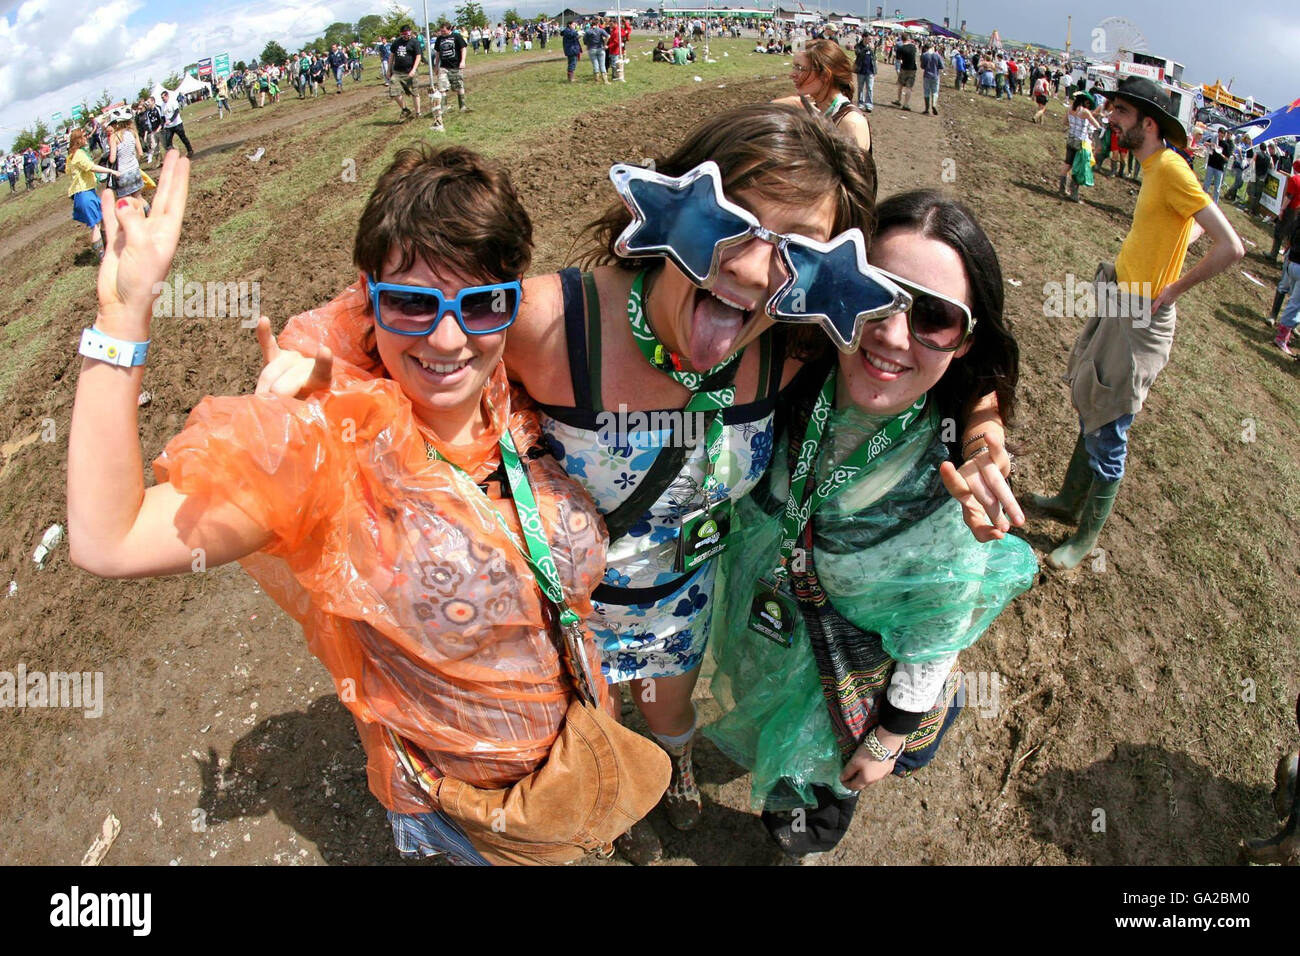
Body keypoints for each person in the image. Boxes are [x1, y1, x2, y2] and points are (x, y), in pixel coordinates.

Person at [258, 105, 1020, 863]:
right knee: (592, 732)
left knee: (671, 713)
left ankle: (676, 773)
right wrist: (320, 368)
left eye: (795, 249)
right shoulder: (555, 326)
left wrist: (985, 430)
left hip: (685, 598)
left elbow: (925, 356)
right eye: (730, 222)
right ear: (674, 208)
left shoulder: (790, 348)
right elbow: (414, 319)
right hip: (562, 615)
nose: (755, 267)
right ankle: (611, 800)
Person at [68, 145, 669, 867]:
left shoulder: (516, 388)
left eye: (481, 303)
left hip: (578, 759)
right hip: (466, 819)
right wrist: (123, 314)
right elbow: (110, 540)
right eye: (412, 304)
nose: (449, 338)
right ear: (369, 300)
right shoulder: (329, 450)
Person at [705, 191, 1036, 856]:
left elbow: (934, 635)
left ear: (965, 339)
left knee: (811, 800)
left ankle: (793, 843)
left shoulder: (947, 487)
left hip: (848, 683)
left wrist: (886, 738)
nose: (889, 334)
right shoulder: (791, 368)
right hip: (770, 627)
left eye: (933, 316)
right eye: (878, 294)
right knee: (767, 713)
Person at [1029, 77, 1244, 570]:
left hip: (1142, 320)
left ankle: (1085, 538)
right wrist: (1168, 256)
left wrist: (1171, 289)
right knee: (1092, 399)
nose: (1110, 118)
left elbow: (1232, 246)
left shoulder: (1170, 168)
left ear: (1148, 123)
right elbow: (1187, 224)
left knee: (1111, 427)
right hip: (1120, 303)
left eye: (1120, 111)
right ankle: (1067, 502)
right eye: (1111, 108)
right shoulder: (1154, 167)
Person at [777, 40, 871, 153]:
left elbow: (852, 170)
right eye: (794, 67)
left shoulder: (851, 123)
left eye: (800, 68)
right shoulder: (816, 109)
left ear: (825, 75)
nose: (791, 74)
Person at [64, 128, 115, 260]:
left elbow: (69, 170)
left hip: (87, 193)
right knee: (95, 226)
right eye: (84, 136)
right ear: (78, 140)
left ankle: (107, 247)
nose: (86, 137)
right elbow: (91, 167)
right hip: (84, 194)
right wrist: (111, 171)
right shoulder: (79, 154)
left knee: (102, 219)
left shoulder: (72, 156)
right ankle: (102, 257)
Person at [1057, 91, 1100, 203]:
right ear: (1085, 101)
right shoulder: (1085, 112)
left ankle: (1061, 189)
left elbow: (1064, 122)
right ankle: (1074, 194)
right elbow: (1097, 125)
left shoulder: (1070, 108)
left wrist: (1073, 125)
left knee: (1067, 164)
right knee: (1079, 168)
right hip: (1081, 142)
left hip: (1071, 139)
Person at [106, 107, 146, 207]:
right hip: (135, 170)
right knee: (139, 198)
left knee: (127, 204)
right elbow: (140, 153)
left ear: (116, 124)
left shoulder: (114, 137)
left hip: (123, 173)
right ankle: (149, 216)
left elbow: (112, 159)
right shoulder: (132, 132)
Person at [1268, 159, 1300, 262]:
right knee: (1291, 236)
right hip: (1298, 211)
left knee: (1279, 231)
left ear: (1294, 167)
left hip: (1290, 209)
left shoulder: (1294, 179)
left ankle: (1273, 255)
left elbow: (1289, 196)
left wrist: (1282, 209)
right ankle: (1287, 260)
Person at [435, 23, 470, 113]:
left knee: (458, 86)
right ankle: (443, 107)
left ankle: (462, 106)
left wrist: (463, 61)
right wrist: (436, 65)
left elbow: (463, 49)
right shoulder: (439, 39)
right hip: (443, 67)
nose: (442, 32)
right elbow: (438, 53)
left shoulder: (456, 36)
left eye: (444, 31)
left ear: (449, 29)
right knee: (442, 87)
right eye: (441, 31)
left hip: (455, 66)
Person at [390, 26, 423, 120]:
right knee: (394, 91)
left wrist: (414, 69)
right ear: (401, 34)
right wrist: (389, 70)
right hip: (397, 71)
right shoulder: (396, 42)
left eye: (408, 33)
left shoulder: (414, 42)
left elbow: (418, 56)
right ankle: (405, 109)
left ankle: (418, 113)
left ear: (410, 32)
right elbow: (391, 56)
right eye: (404, 34)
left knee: (415, 92)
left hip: (411, 71)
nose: (406, 36)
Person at [158, 90, 194, 157]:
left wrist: (171, 120)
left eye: (163, 97)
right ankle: (174, 156)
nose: (162, 99)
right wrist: (162, 125)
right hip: (169, 127)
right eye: (162, 98)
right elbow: (162, 117)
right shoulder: (162, 106)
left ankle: (190, 150)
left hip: (177, 124)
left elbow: (176, 112)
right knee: (168, 143)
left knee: (183, 138)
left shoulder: (172, 102)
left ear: (167, 96)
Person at [1203, 129, 1231, 203]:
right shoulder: (1213, 140)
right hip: (1211, 165)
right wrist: (1211, 144)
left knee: (1217, 187)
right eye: (1220, 133)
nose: (1221, 135)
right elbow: (1205, 143)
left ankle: (1215, 203)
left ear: (1224, 135)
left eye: (1223, 134)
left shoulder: (1226, 145)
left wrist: (1220, 153)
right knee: (1206, 183)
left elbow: (1227, 159)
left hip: (1219, 168)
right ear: (1218, 133)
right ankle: (1202, 199)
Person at [892, 34, 918, 111]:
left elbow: (899, 60)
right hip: (913, 69)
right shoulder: (913, 47)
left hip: (904, 68)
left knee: (900, 85)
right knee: (909, 87)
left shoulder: (901, 48)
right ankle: (906, 104)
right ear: (908, 39)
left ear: (901, 39)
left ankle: (898, 100)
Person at [853, 35, 876, 112]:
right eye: (869, 39)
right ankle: (860, 103)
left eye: (871, 39)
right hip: (861, 70)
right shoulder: (858, 46)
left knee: (869, 88)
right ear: (864, 38)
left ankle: (869, 104)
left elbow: (874, 58)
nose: (870, 40)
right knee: (860, 88)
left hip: (870, 71)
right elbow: (858, 54)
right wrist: (867, 48)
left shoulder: (872, 47)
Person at [583, 18, 609, 84]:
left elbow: (585, 41)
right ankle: (605, 80)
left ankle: (597, 80)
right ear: (598, 24)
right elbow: (608, 36)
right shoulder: (600, 30)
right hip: (600, 48)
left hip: (591, 49)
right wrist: (605, 44)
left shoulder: (588, 31)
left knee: (595, 64)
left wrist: (588, 44)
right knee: (602, 65)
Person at [920, 43, 943, 115]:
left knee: (926, 91)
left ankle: (927, 109)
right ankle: (934, 104)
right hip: (935, 75)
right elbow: (941, 66)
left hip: (927, 75)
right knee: (935, 91)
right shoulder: (937, 55)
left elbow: (922, 66)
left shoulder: (924, 55)